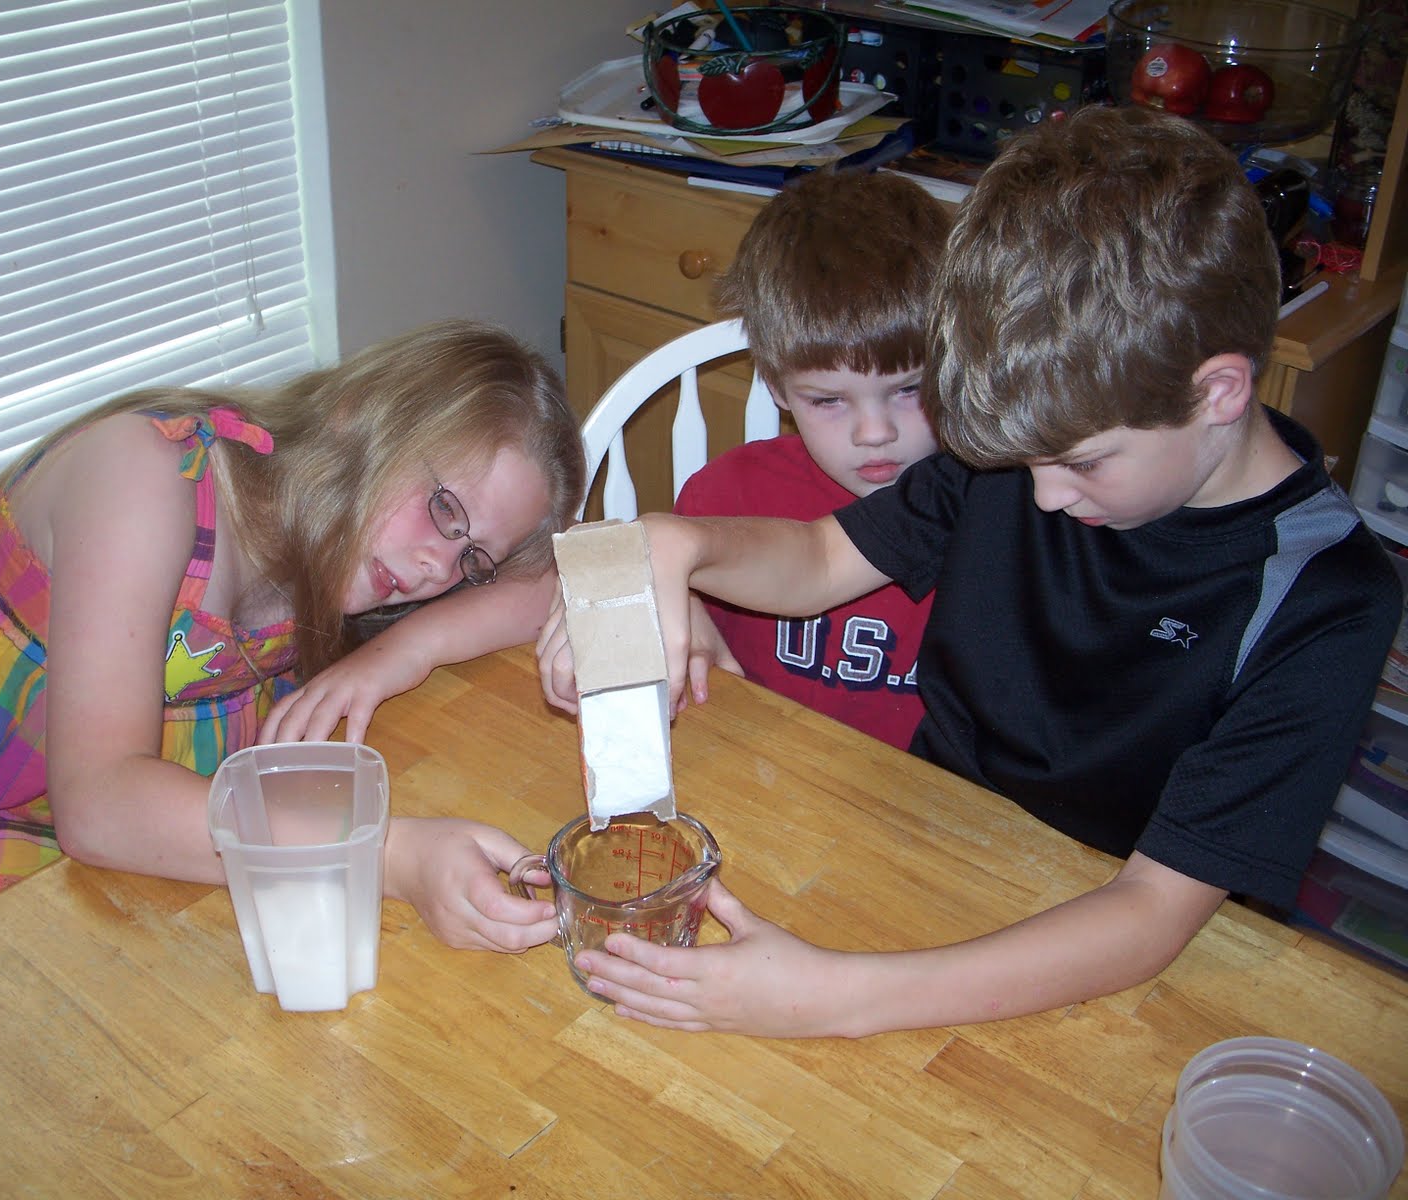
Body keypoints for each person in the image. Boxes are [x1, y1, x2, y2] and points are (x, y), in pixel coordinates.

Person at [536, 106, 1402, 1039]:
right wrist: (677, 541)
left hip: (1104, 953)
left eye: (1081, 463)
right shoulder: (1030, 446)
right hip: (924, 850)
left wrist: (838, 1000)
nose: (1039, 498)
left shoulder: (1328, 600)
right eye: (1018, 460)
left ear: (1218, 392)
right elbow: (825, 557)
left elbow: (1152, 912)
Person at [0, 319, 586, 960]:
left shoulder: (348, 542)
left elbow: (560, 581)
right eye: (444, 510)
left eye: (470, 558)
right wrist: (388, 856)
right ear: (358, 413)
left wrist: (401, 652)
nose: (435, 567)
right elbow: (102, 805)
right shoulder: (142, 476)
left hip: (184, 831)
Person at [674, 168, 948, 748]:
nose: (874, 433)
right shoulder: (722, 500)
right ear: (775, 386)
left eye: (908, 389)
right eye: (827, 400)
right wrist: (680, 608)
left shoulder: (997, 505)